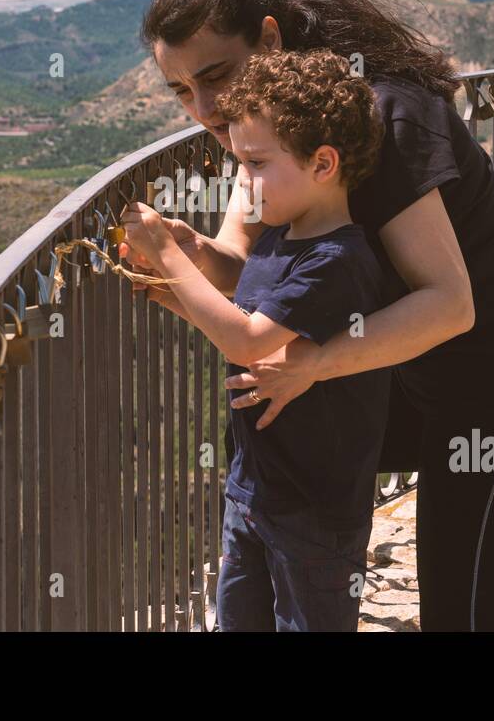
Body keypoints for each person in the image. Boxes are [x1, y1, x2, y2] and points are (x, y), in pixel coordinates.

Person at [120, 0, 494, 630]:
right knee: (273, 432)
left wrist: (315, 361)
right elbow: (247, 263)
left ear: (271, 37)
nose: (205, 108)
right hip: (420, 382)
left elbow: (448, 304)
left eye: (216, 75)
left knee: (461, 618)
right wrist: (192, 255)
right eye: (182, 91)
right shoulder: (269, 130)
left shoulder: (383, 117)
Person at [121, 48, 391, 631]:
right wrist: (175, 279)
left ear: (323, 164)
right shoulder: (278, 236)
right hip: (255, 486)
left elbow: (247, 341)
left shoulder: (336, 259)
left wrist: (169, 256)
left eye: (257, 163)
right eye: (239, 163)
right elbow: (244, 312)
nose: (243, 182)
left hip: (316, 506)